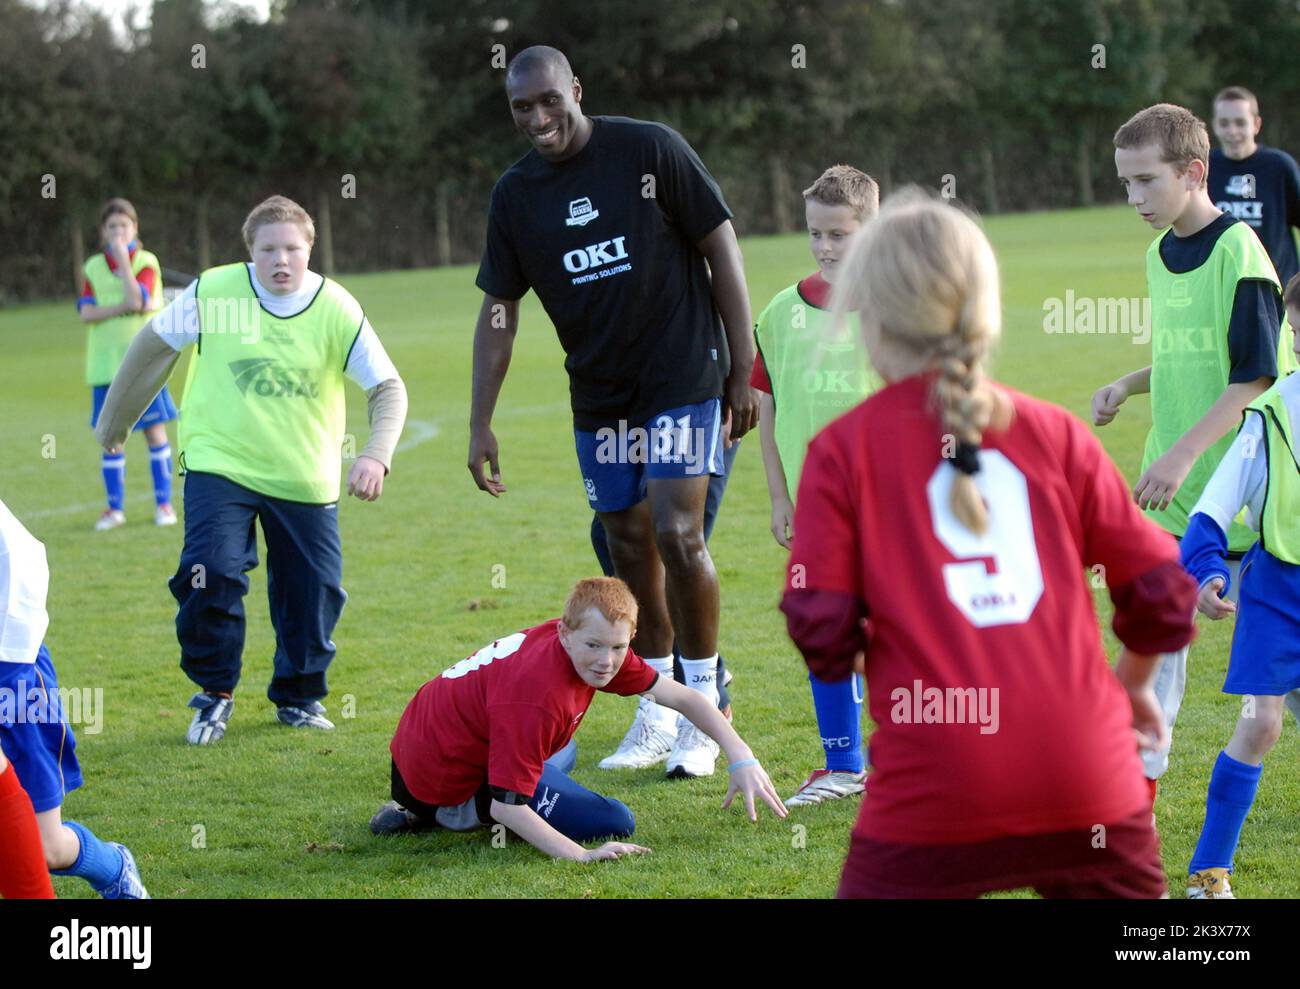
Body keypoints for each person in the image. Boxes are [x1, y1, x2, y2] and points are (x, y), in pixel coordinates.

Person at [783, 189, 1198, 898]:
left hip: (937, 786)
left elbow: (820, 626)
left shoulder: (841, 451)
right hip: (1086, 771)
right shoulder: (1055, 432)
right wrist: (1128, 686)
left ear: (868, 313)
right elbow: (1161, 588)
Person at [469, 46, 759, 778]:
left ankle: (704, 705)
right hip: (600, 398)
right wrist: (480, 418)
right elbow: (499, 309)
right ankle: (656, 705)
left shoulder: (650, 148)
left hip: (683, 376)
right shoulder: (516, 196)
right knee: (625, 547)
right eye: (520, 108)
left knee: (677, 534)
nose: (537, 118)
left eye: (547, 101)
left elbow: (720, 244)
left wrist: (741, 366)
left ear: (575, 89)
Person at [94, 195, 409, 744]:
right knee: (210, 570)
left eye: (292, 248)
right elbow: (149, 349)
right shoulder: (214, 292)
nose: (281, 260)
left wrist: (376, 453)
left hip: (304, 474)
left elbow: (387, 387)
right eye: (269, 249)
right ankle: (214, 692)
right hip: (220, 462)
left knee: (313, 591)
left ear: (310, 249)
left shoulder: (336, 306)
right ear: (251, 252)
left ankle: (299, 695)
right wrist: (113, 427)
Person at [1092, 103, 1294, 797]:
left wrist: (1180, 455)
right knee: (1156, 647)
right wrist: (1130, 382)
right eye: (1125, 184)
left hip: (1252, 503)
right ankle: (1130, 801)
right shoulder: (1157, 254)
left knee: (1287, 675)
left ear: (1193, 172)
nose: (1133, 199)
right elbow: (1189, 358)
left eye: (1146, 181)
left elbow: (1256, 376)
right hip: (1176, 507)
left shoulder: (1242, 254)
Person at [372, 577, 785, 860]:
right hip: (440, 784)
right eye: (594, 645)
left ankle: (426, 800)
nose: (606, 662)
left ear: (628, 639)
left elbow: (685, 698)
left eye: (618, 647)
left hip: (427, 743)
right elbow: (506, 810)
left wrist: (741, 755)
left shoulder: (594, 644)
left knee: (563, 749)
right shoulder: (538, 697)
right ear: (565, 633)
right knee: (614, 820)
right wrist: (583, 856)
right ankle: (421, 813)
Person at [753, 164, 880, 806]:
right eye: (816, 234)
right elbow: (768, 406)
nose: (826, 247)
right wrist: (780, 495)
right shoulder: (781, 312)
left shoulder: (900, 306)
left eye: (841, 235)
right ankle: (843, 767)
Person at [1179, 274, 1300, 898]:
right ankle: (1207, 873)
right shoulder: (1268, 418)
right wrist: (1209, 572)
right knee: (1260, 726)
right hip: (1278, 596)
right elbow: (1210, 513)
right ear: (1293, 335)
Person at [0, 497, 147, 898]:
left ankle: (113, 866)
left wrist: (10, 683)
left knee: (45, 848)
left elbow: (20, 567)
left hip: (13, 667)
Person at [77, 198, 177, 530]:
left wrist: (122, 260)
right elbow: (85, 312)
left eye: (124, 226)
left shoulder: (146, 262)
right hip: (105, 367)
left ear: (135, 228)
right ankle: (114, 509)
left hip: (143, 366)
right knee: (110, 438)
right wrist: (120, 306)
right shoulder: (92, 266)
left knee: (154, 432)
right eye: (112, 227)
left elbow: (138, 301)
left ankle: (164, 505)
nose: (118, 232)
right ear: (103, 232)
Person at [1208, 85, 1300, 289]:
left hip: (1277, 287)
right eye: (1224, 123)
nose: (1232, 131)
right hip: (1222, 286)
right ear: (1214, 125)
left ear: (1256, 124)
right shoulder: (1204, 168)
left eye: (1240, 123)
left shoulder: (1279, 166)